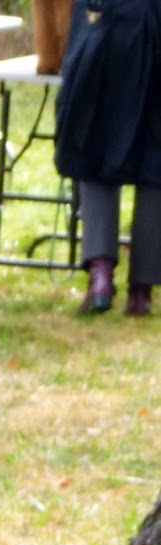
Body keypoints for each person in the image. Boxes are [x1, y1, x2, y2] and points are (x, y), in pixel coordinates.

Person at [55, 0, 161, 316]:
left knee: (94, 144)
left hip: (102, 20)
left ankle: (100, 277)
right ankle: (141, 291)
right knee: (156, 157)